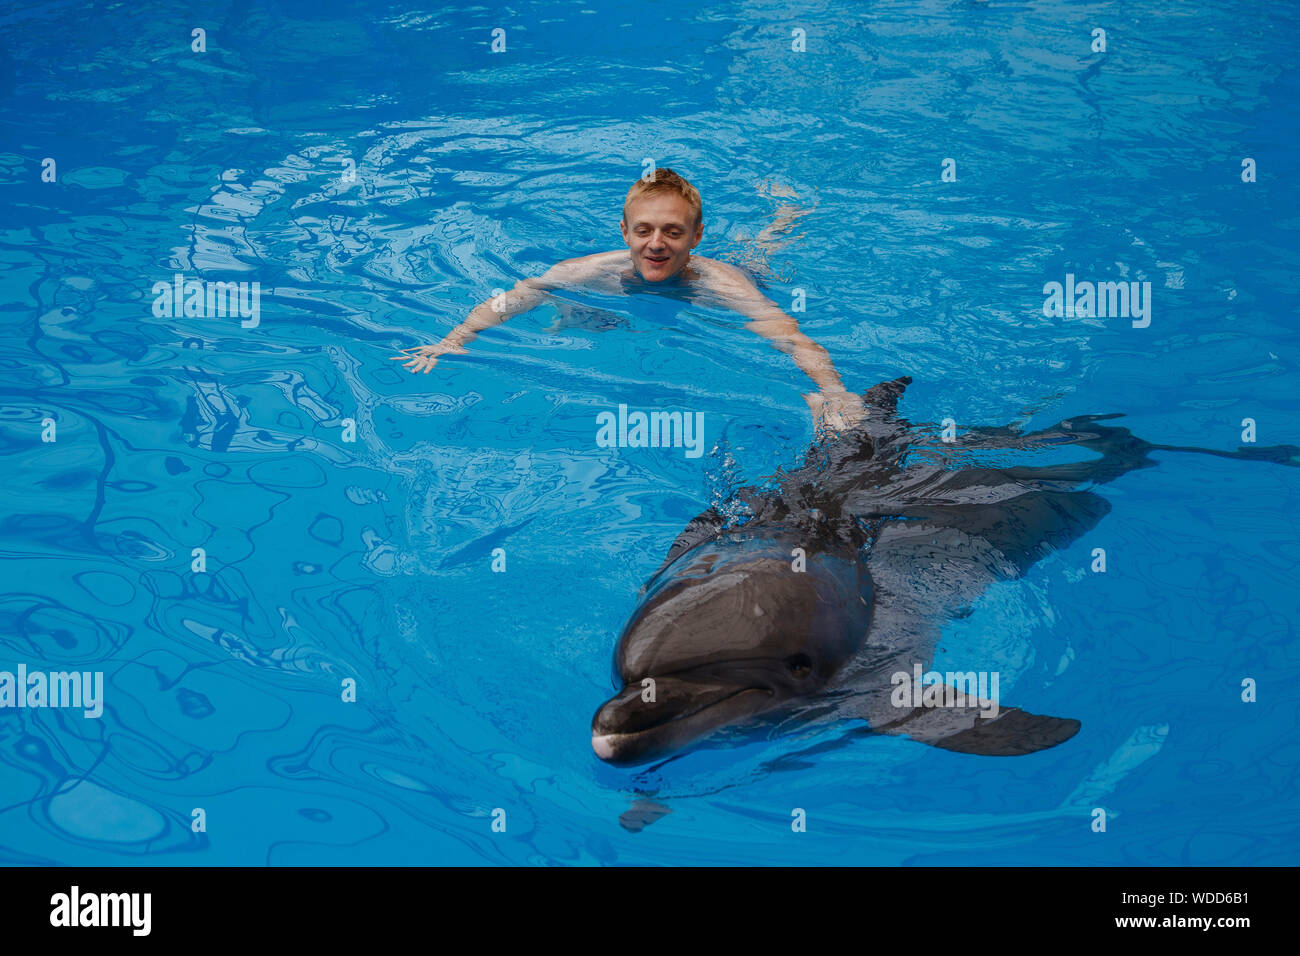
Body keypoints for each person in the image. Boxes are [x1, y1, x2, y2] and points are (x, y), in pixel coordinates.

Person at [392, 168, 866, 432]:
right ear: (625, 232)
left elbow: (790, 336)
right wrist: (457, 338)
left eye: (673, 232)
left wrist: (834, 391)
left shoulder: (722, 288)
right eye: (644, 231)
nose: (656, 244)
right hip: (620, 302)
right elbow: (518, 296)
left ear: (696, 236)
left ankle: (784, 217)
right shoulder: (588, 272)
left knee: (758, 256)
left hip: (736, 277)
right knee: (571, 311)